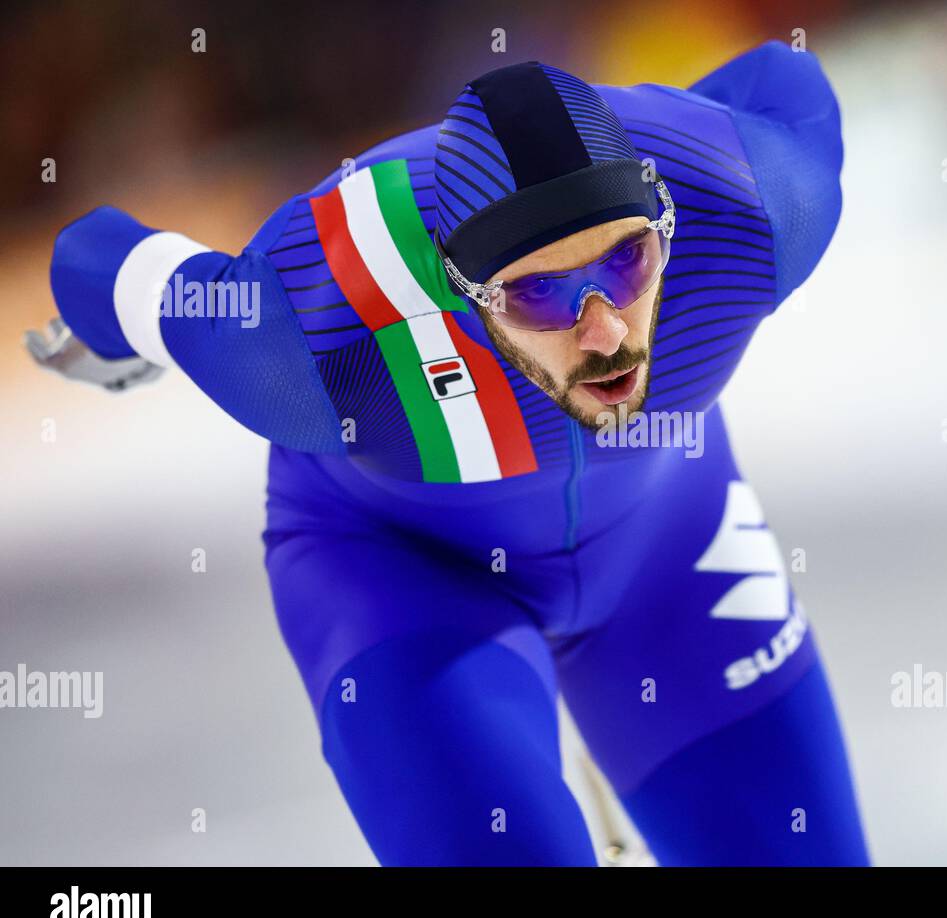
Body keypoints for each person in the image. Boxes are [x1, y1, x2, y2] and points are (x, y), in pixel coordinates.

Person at [38, 40, 869, 866]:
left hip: (665, 543)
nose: (607, 329)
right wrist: (125, 335)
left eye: (627, 262)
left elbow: (783, 73)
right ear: (463, 293)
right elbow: (94, 254)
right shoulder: (301, 339)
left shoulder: (757, 202)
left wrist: (673, 119)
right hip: (403, 574)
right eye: (542, 293)